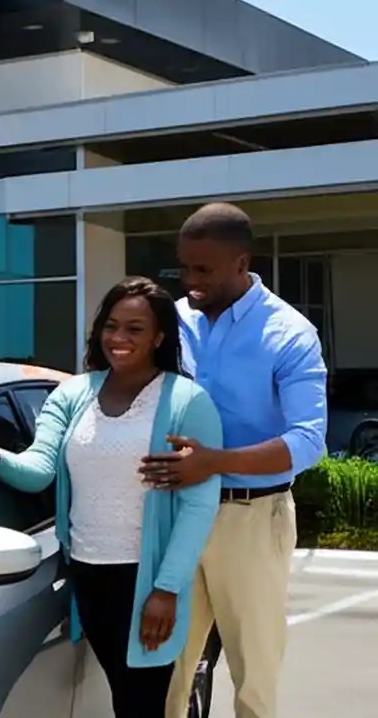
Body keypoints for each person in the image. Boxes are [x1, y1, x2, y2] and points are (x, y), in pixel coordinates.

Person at [0, 276, 224, 718]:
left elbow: (199, 504)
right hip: (90, 575)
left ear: (159, 337)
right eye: (111, 326)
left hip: (148, 579)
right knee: (121, 692)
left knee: (141, 702)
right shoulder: (74, 394)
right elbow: (40, 471)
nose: (119, 338)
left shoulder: (187, 401)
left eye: (135, 329)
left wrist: (166, 590)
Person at [147, 203, 328, 718]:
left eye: (202, 269)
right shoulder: (175, 322)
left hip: (251, 519)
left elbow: (308, 440)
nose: (189, 281)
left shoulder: (288, 334)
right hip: (175, 513)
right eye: (183, 267)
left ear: (241, 262)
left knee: (253, 679)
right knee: (163, 672)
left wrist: (214, 461)